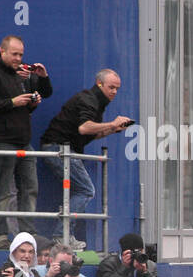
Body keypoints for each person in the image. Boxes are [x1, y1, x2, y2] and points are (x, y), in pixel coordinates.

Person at [38, 69, 131, 250]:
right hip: (58, 147)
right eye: (111, 87)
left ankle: (63, 234)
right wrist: (112, 123)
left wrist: (112, 130)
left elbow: (89, 133)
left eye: (117, 89)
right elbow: (84, 128)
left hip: (63, 147)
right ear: (99, 84)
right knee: (86, 190)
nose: (114, 92)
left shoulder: (97, 102)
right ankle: (61, 234)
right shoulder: (89, 99)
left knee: (83, 190)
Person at [0, 35, 52, 249]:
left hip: (22, 141)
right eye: (14, 54)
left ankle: (27, 234)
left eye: (21, 54)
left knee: (30, 187)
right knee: (2, 190)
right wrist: (13, 102)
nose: (18, 58)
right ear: (2, 51)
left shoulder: (19, 76)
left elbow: (30, 103)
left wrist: (30, 103)